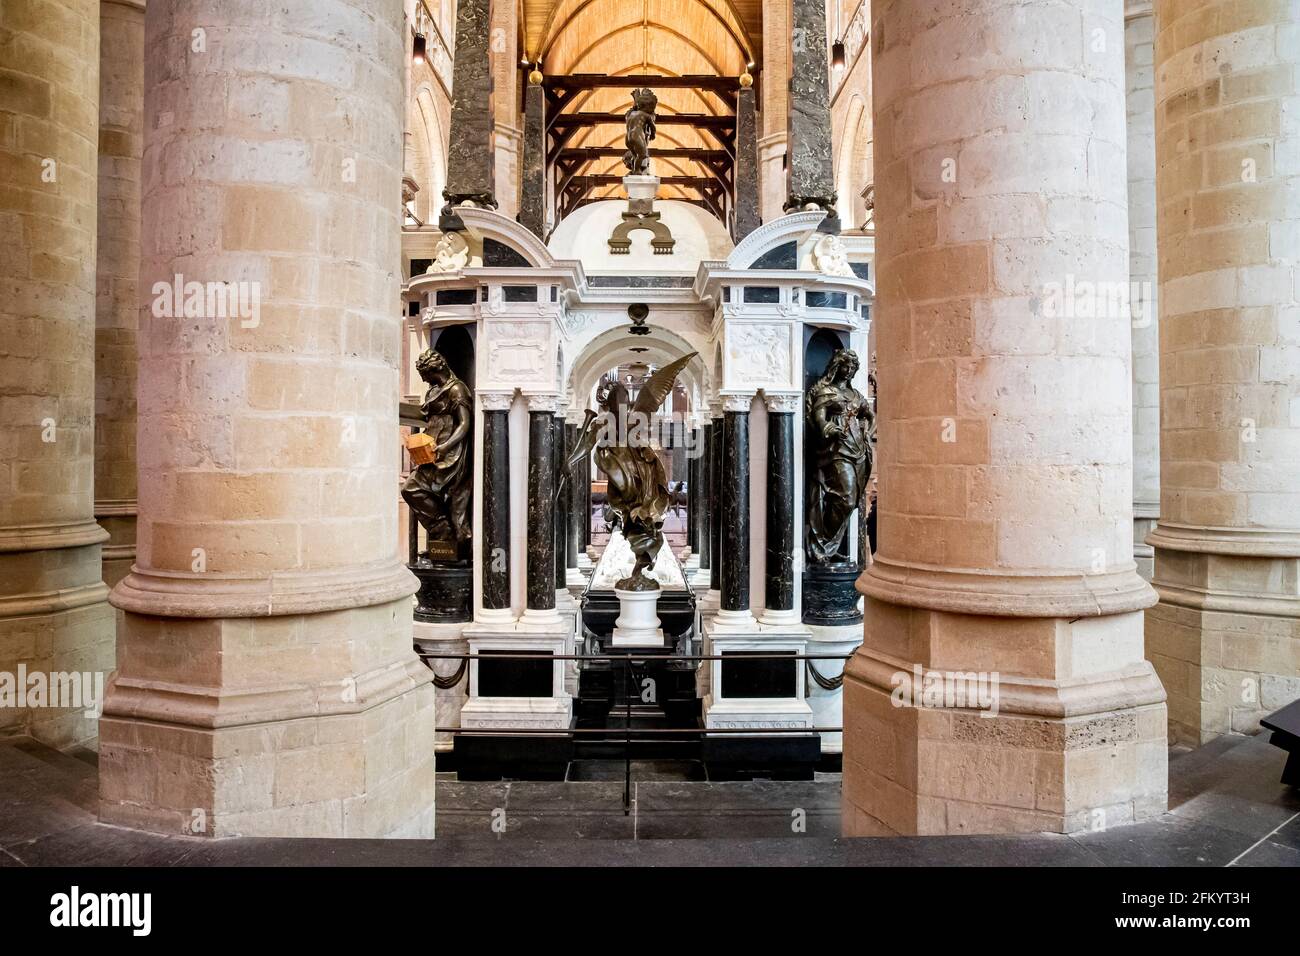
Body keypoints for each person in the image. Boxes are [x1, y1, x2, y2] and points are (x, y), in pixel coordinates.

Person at [401, 349, 472, 561]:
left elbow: (465, 424)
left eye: (424, 373)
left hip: (449, 455)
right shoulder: (433, 391)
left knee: (414, 488)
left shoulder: (457, 389)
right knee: (411, 489)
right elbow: (424, 415)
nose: (422, 379)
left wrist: (446, 447)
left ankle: (450, 536)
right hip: (431, 451)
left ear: (435, 369)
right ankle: (442, 532)